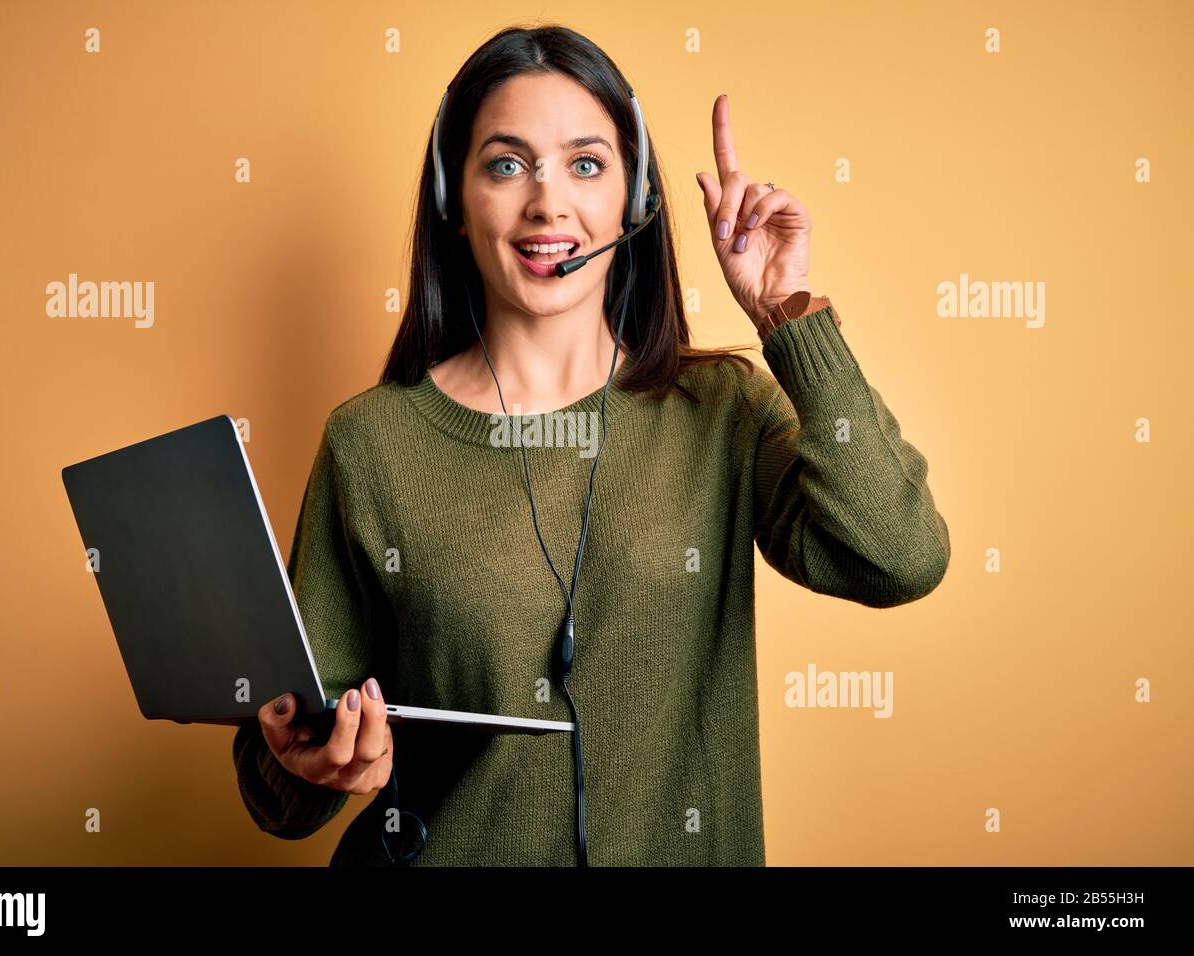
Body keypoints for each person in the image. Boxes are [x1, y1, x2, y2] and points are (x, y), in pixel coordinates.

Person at [231, 23, 950, 866]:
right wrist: (312, 762)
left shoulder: (721, 409)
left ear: (635, 199)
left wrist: (787, 314)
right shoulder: (372, 444)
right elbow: (278, 777)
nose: (548, 204)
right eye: (505, 165)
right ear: (452, 204)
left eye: (585, 164)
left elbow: (900, 556)